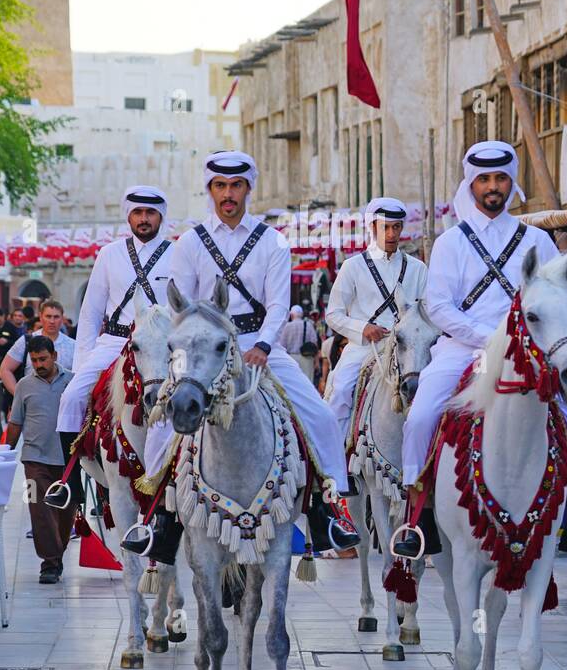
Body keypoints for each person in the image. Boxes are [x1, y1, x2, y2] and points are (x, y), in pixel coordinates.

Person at [398, 141, 567, 555]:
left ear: (512, 183)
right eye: (485, 179)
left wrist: (530, 341)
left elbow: (557, 296)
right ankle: (415, 518)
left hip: (532, 351)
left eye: (501, 178)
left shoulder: (538, 240)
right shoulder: (450, 243)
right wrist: (488, 338)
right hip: (463, 348)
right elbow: (438, 306)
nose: (493, 187)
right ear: (471, 184)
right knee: (420, 416)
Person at [164, 150, 357, 547]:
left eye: (236, 186)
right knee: (165, 426)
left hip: (257, 345)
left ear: (248, 188)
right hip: (204, 351)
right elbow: (181, 306)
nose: (228, 194)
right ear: (210, 190)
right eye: (220, 186)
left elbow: (277, 305)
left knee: (320, 416)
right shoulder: (189, 244)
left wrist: (265, 346)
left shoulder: (272, 242)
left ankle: (329, 509)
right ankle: (161, 519)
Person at [45, 185, 174, 508]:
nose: (144, 219)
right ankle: (70, 483)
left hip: (159, 346)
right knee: (71, 397)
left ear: (161, 216)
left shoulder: (178, 254)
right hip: (114, 342)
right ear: (128, 216)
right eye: (138, 213)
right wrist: (83, 365)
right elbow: (90, 313)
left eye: (150, 213)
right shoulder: (109, 254)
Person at [324, 197, 428, 439]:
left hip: (409, 350)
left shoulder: (418, 268)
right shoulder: (352, 267)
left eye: (396, 227)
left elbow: (428, 314)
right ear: (372, 228)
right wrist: (362, 328)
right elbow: (333, 314)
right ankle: (336, 458)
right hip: (364, 348)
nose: (391, 234)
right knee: (340, 393)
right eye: (384, 227)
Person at [5, 335, 77, 585]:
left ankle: (56, 556)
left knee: (66, 513)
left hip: (68, 460)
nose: (38, 364)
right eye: (34, 360)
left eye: (43, 359)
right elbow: (15, 422)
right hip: (34, 459)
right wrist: (4, 453)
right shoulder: (24, 385)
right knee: (39, 509)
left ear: (54, 356)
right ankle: (49, 562)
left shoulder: (73, 381)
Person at [0, 299, 76, 398]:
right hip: (31, 401)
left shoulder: (72, 345)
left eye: (56, 317)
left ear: (62, 319)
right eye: (48, 316)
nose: (52, 321)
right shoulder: (26, 341)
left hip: (62, 405)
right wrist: (19, 396)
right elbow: (5, 370)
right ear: (41, 317)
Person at [280, 304, 320, 382]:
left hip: (290, 359)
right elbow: (315, 344)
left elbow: (282, 346)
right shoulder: (308, 325)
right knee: (307, 383)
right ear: (301, 315)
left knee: (292, 383)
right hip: (307, 358)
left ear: (291, 315)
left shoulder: (286, 326)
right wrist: (317, 362)